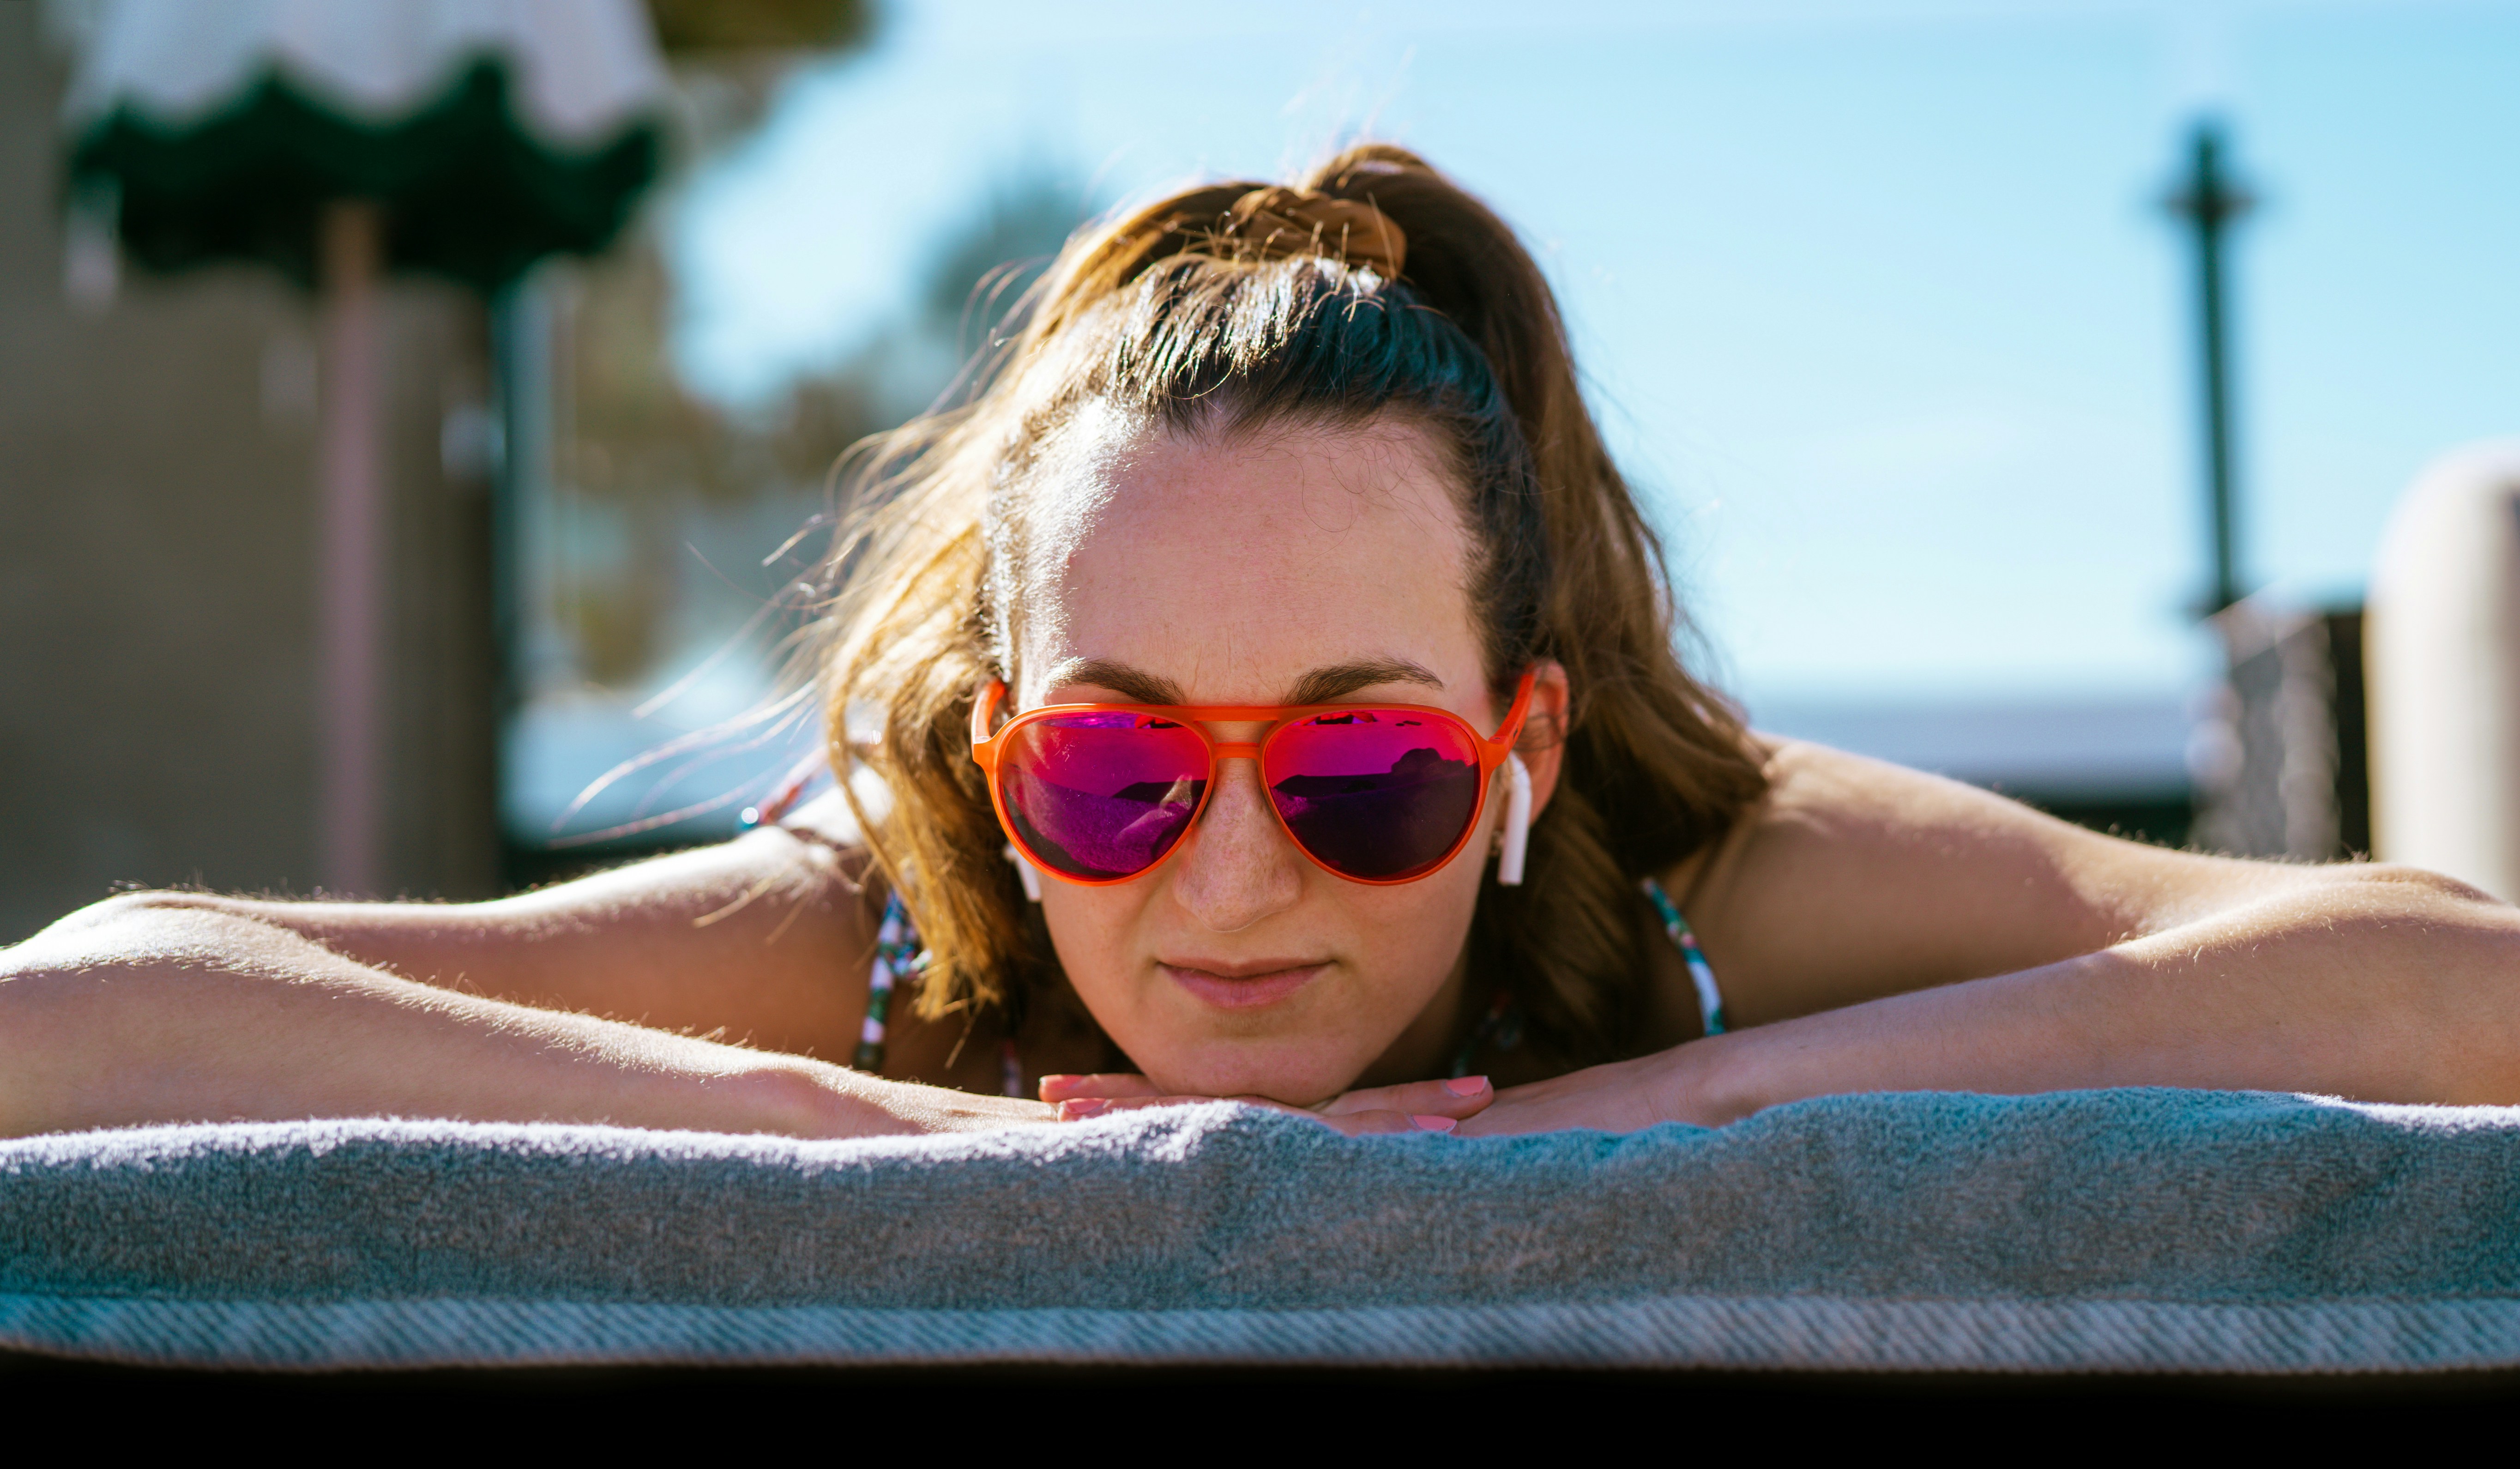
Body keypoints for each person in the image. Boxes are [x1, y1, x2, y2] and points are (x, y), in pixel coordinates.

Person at [7, 145, 2517, 1143]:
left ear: (1516, 750)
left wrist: (1605, 1129)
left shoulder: (1670, 870)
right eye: (1114, 772)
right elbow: (91, 1005)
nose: (1223, 887)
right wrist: (918, 1154)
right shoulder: (895, 928)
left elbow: (2450, 980)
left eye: (1361, 779)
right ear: (999, 765)